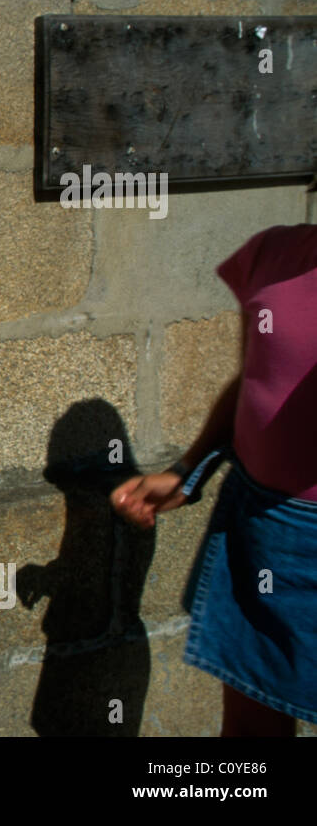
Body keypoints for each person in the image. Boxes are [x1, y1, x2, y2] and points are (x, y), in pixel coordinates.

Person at [111, 222, 317, 736]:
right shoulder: (272, 252)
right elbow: (257, 379)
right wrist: (188, 471)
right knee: (251, 733)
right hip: (261, 526)